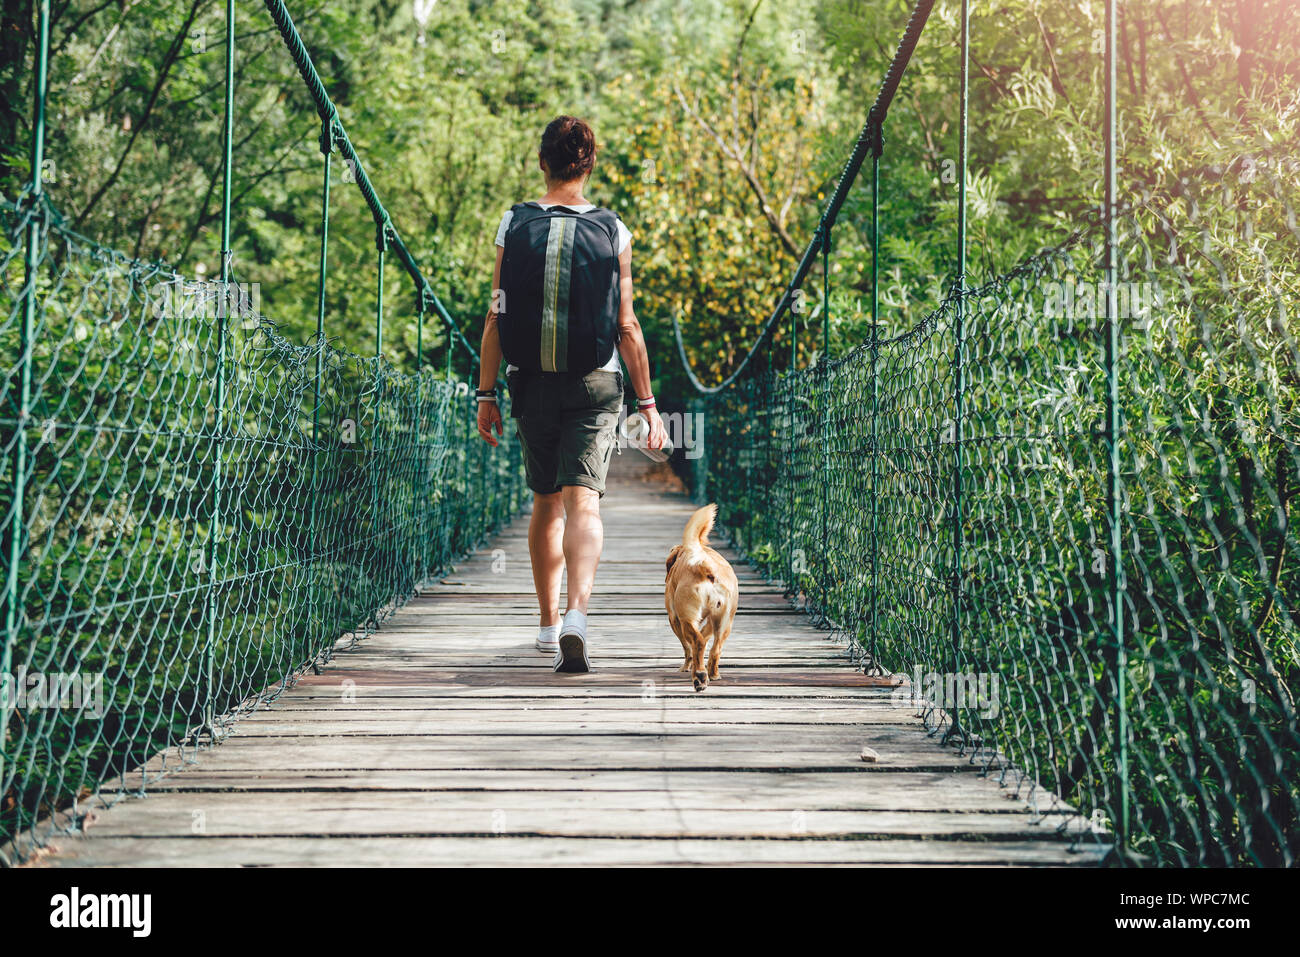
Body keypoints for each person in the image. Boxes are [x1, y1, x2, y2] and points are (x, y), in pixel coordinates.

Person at [476, 115, 667, 674]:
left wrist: (484, 394)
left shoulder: (514, 222)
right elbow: (627, 326)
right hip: (596, 382)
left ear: (543, 162)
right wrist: (649, 405)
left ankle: (546, 623)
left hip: (530, 380)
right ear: (589, 165)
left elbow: (496, 316)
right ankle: (579, 614)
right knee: (584, 499)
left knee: (546, 500)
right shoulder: (614, 228)